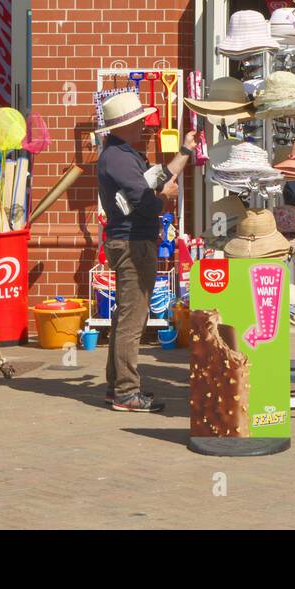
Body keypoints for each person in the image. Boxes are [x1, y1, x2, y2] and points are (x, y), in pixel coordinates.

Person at [94, 91, 198, 412]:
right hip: (133, 243)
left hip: (129, 241)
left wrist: (184, 152)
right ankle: (126, 392)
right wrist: (164, 197)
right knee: (133, 318)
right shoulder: (120, 158)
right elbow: (146, 201)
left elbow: (158, 177)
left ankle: (118, 387)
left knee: (127, 315)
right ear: (125, 124)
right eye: (139, 120)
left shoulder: (122, 154)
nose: (144, 124)